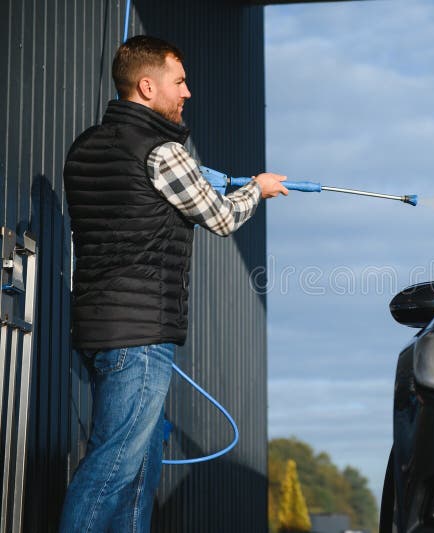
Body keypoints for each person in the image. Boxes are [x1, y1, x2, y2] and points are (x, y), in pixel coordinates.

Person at [59, 35, 287, 532]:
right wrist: (258, 189)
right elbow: (222, 218)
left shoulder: (85, 147)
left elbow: (136, 205)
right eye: (179, 82)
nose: (187, 93)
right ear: (146, 85)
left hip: (99, 331)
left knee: (139, 471)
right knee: (112, 470)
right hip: (141, 338)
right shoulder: (163, 152)